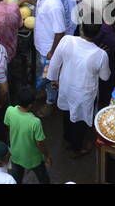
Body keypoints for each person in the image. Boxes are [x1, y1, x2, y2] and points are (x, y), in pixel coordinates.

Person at [46, 23, 110, 155]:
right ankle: (77, 147)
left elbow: (54, 63)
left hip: (66, 86)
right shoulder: (101, 54)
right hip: (84, 93)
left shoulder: (67, 40)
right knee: (80, 121)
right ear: (98, 34)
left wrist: (53, 80)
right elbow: (105, 77)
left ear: (81, 28)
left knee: (67, 112)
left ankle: (67, 137)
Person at [5, 86, 51, 183]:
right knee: (43, 179)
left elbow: (9, 127)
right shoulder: (35, 122)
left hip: (16, 154)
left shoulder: (10, 111)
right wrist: (47, 156)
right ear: (30, 105)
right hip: (34, 159)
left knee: (16, 179)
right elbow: (39, 144)